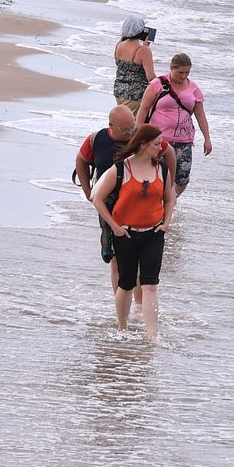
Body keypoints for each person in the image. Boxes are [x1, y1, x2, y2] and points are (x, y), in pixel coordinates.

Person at [75, 104, 176, 292]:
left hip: (139, 201)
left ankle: (137, 305)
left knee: (139, 257)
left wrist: (168, 187)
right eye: (126, 129)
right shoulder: (96, 139)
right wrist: (89, 191)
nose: (131, 132)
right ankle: (120, 302)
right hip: (109, 203)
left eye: (133, 127)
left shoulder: (142, 137)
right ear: (111, 125)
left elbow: (168, 152)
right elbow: (81, 159)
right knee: (115, 259)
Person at [89, 123, 174, 344]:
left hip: (154, 233)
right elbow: (96, 199)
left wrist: (166, 223)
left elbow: (169, 198)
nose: (160, 147)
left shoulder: (161, 169)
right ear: (144, 144)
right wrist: (114, 226)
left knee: (150, 285)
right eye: (156, 144)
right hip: (125, 233)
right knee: (126, 284)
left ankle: (152, 336)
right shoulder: (120, 169)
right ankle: (122, 328)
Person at [136, 53, 210, 199]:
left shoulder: (194, 89)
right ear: (171, 68)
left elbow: (200, 115)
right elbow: (143, 109)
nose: (183, 76)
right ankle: (155, 202)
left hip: (184, 141)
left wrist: (207, 138)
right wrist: (138, 134)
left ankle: (170, 200)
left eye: (187, 72)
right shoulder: (157, 84)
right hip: (159, 140)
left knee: (182, 179)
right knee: (157, 174)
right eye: (180, 72)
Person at [113, 15, 157, 106]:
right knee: (136, 120)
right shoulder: (143, 50)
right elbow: (151, 78)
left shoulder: (119, 44)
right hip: (136, 96)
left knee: (123, 119)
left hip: (119, 91)